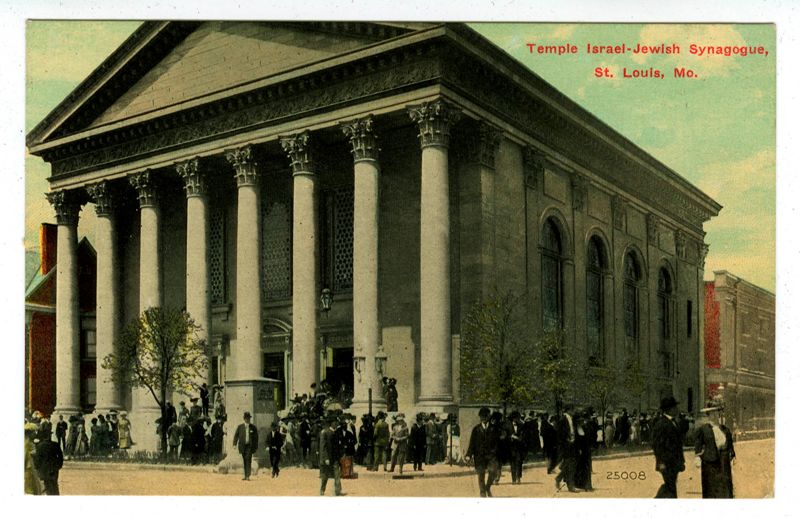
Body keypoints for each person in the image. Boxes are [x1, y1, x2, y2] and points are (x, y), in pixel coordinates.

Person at [694, 404, 735, 498]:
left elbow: (730, 444)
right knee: (711, 487)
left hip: (724, 461)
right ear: (708, 415)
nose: (716, 415)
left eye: (717, 413)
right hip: (710, 462)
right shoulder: (703, 429)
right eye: (713, 413)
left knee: (725, 486)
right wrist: (697, 457)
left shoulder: (725, 429)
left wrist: (732, 455)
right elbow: (698, 445)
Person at [651, 396, 686, 498]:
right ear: (670, 409)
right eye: (675, 407)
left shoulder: (674, 422)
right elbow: (657, 445)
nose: (677, 409)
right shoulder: (661, 424)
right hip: (666, 463)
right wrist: (661, 462)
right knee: (670, 487)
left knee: (669, 486)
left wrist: (681, 461)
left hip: (674, 462)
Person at [466, 406, 498, 498]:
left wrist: (494, 452)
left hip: (491, 456)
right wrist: (469, 455)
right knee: (481, 474)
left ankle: (487, 487)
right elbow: (472, 443)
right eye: (482, 416)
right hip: (479, 456)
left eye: (485, 416)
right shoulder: (476, 429)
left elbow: (496, 443)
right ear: (479, 417)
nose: (483, 418)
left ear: (488, 417)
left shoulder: (493, 429)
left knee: (493, 472)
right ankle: (482, 492)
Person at [33, 422, 64, 495]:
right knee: (54, 486)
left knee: (47, 486)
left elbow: (37, 460)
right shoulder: (55, 445)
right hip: (54, 469)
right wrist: (58, 466)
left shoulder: (40, 446)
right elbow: (60, 457)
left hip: (44, 470)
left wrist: (37, 468)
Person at [555, 404, 579, 492]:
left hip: (572, 445)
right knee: (570, 464)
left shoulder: (572, 419)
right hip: (566, 446)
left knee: (570, 465)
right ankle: (568, 484)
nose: (574, 411)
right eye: (573, 410)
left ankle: (563, 481)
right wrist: (567, 440)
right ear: (569, 410)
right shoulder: (562, 419)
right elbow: (559, 434)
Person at [319, 414, 343, 496]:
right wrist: (326, 458)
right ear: (331, 423)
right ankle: (322, 489)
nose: (336, 424)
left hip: (335, 458)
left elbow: (338, 446)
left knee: (337, 475)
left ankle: (337, 491)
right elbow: (323, 447)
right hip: (328, 458)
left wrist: (340, 456)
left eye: (337, 422)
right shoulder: (325, 432)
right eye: (335, 422)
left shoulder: (336, 433)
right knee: (325, 476)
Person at [233, 412, 259, 481]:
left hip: (249, 446)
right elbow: (236, 436)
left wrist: (255, 447)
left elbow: (256, 438)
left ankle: (248, 475)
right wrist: (234, 444)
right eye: (246, 418)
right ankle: (245, 475)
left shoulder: (253, 427)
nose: (248, 420)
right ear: (244, 419)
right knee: (244, 460)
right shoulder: (240, 427)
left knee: (248, 460)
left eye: (249, 418)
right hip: (242, 446)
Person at [508, 411, 527, 484]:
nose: (516, 419)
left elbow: (524, 434)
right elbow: (506, 435)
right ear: (513, 418)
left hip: (519, 447)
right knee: (512, 463)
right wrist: (511, 437)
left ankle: (518, 477)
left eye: (517, 418)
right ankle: (513, 479)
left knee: (519, 462)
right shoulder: (508, 426)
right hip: (511, 447)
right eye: (515, 418)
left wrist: (520, 438)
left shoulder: (521, 425)